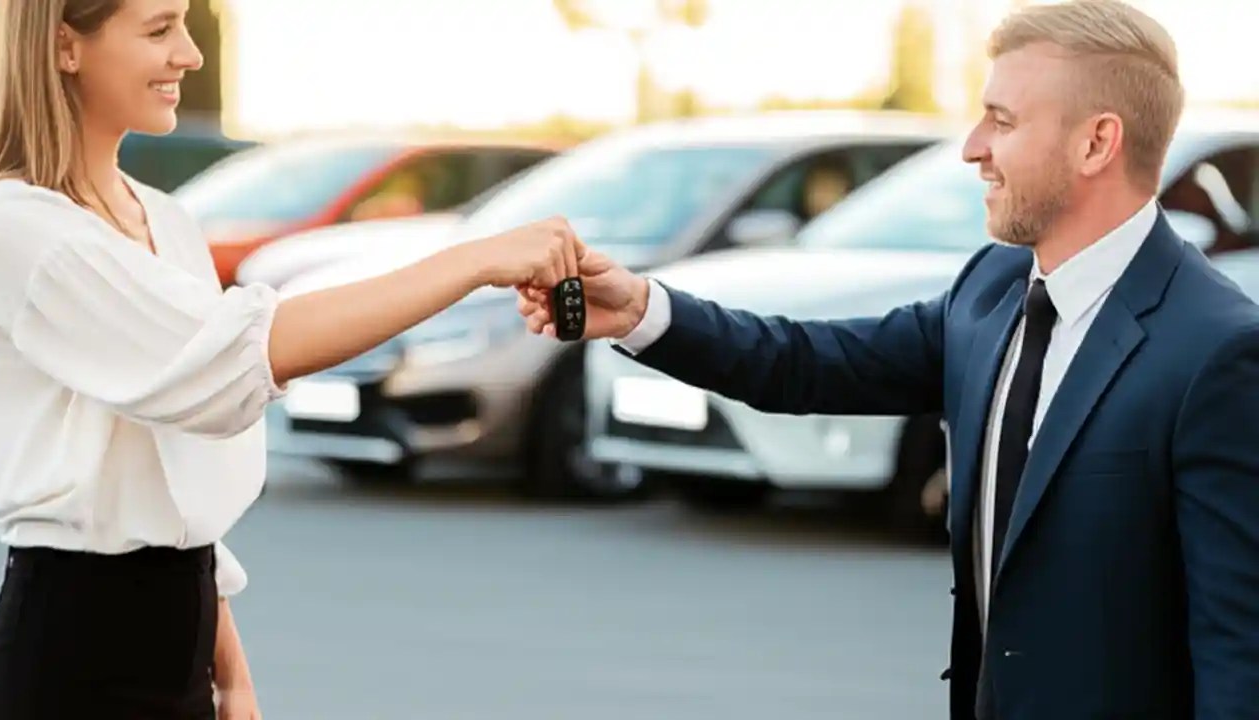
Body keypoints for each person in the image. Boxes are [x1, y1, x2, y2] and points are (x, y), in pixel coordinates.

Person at [520, 1, 1259, 718]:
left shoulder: (1217, 351)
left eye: (1001, 121)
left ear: (1096, 143)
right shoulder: (988, 288)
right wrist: (642, 310)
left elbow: (1240, 652)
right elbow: (806, 362)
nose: (972, 146)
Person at [0, 1, 584, 718]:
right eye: (158, 29)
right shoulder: (11, 226)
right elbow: (236, 360)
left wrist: (230, 673)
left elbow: (180, 480)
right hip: (69, 658)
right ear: (63, 47)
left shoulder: (164, 219)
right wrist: (473, 261)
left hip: (185, 636)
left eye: (185, 25)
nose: (189, 55)